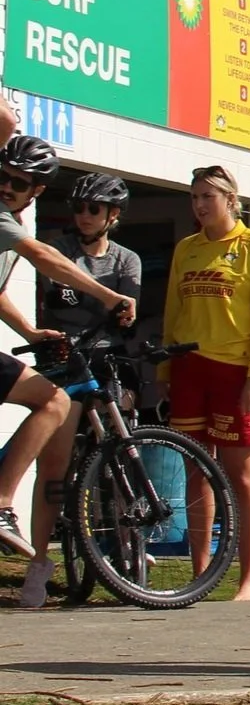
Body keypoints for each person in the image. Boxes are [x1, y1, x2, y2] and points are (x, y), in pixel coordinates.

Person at [21, 171, 145, 607]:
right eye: (79, 207)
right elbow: (46, 292)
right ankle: (39, 562)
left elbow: (127, 313)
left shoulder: (126, 260)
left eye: (94, 208)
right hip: (62, 362)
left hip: (107, 361)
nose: (85, 216)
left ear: (113, 215)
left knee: (120, 453)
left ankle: (131, 548)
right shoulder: (59, 249)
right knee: (53, 468)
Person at [163, 165, 250, 602]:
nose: (199, 206)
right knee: (195, 470)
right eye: (194, 197)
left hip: (235, 371)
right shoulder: (187, 248)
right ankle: (201, 573)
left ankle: (248, 579)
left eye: (207, 197)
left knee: (240, 476)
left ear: (231, 200)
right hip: (189, 367)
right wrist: (165, 369)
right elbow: (173, 309)